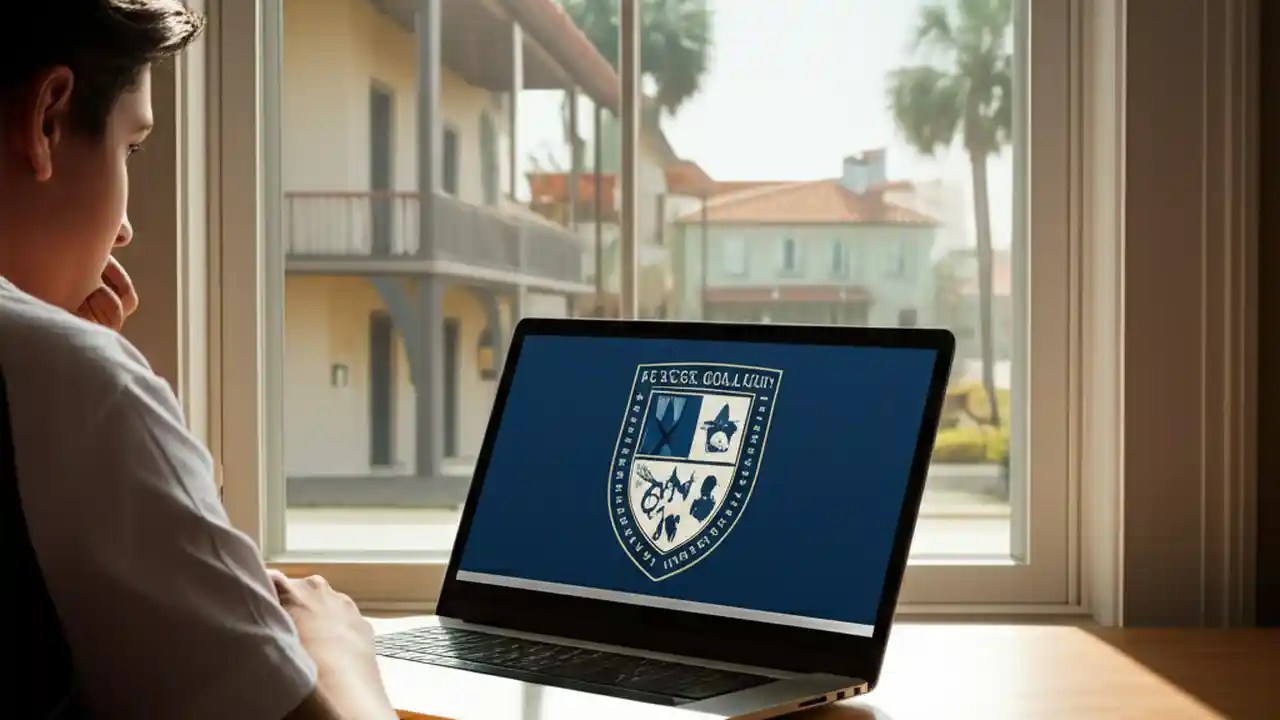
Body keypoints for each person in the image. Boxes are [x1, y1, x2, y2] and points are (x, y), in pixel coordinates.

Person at [0, 2, 396, 718]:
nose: (123, 229)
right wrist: (339, 647)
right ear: (49, 120)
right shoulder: (74, 387)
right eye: (132, 149)